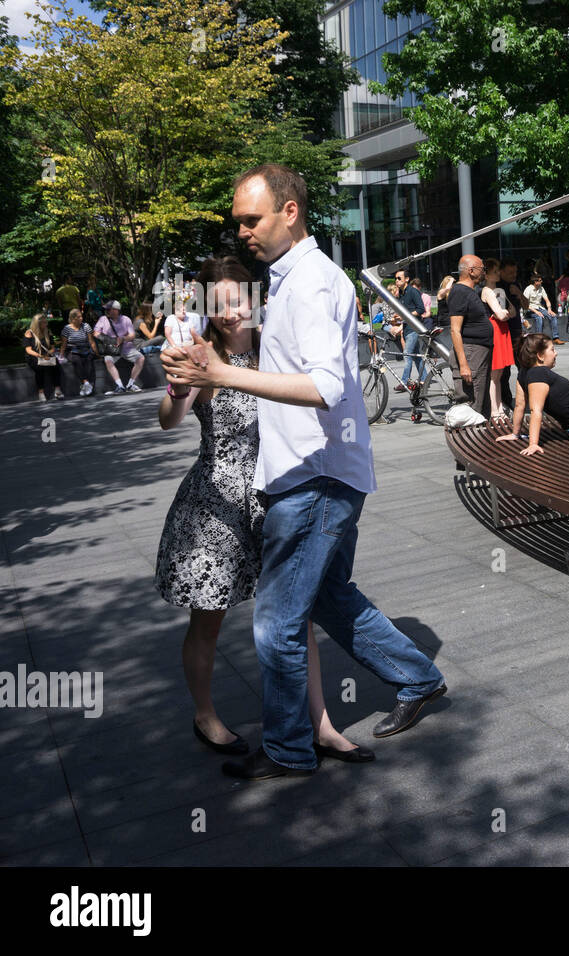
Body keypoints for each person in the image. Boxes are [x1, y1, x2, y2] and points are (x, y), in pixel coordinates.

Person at [163, 163, 447, 780]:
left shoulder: (312, 281)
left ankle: (290, 750)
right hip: (320, 472)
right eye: (237, 220)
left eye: (251, 219)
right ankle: (418, 676)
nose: (241, 230)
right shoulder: (293, 280)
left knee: (276, 622)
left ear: (289, 212)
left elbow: (325, 384)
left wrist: (222, 374)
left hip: (313, 476)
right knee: (327, 598)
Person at [155, 256, 367, 763]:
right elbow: (169, 419)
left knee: (295, 616)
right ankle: (205, 714)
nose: (231, 313)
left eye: (239, 300)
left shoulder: (279, 347)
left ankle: (320, 724)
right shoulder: (205, 358)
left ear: (255, 299)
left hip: (280, 496)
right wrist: (181, 386)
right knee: (207, 619)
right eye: (220, 303)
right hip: (216, 509)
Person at [497, 333, 569, 453]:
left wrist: (515, 433)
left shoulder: (524, 372)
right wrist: (533, 444)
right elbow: (535, 410)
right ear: (540, 356)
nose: (556, 353)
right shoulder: (539, 374)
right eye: (552, 350)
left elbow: (519, 405)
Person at [448, 254, 496, 419]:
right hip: (470, 354)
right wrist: (464, 365)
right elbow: (455, 330)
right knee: (471, 404)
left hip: (477, 353)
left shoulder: (469, 291)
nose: (484, 272)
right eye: (482, 269)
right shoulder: (460, 292)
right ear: (471, 271)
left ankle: (481, 438)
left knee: (480, 401)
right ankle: (472, 439)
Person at [481, 258, 514, 420]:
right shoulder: (487, 291)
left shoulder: (499, 290)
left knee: (498, 375)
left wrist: (504, 313)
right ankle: (495, 410)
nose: (498, 273)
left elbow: (510, 312)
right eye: (495, 272)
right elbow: (503, 314)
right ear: (486, 274)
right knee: (495, 374)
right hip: (495, 330)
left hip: (501, 329)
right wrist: (504, 313)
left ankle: (498, 408)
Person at [94, 300, 147, 393]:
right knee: (108, 360)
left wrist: (123, 338)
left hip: (126, 347)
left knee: (141, 358)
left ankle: (131, 384)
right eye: (107, 309)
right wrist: (110, 340)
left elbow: (132, 335)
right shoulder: (103, 319)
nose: (106, 311)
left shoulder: (126, 319)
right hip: (111, 348)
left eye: (108, 309)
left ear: (116, 310)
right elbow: (95, 333)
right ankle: (119, 385)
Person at [393, 268, 429, 390]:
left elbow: (421, 309)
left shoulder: (413, 291)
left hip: (414, 328)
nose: (396, 281)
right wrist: (399, 318)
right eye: (395, 278)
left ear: (407, 279)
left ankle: (404, 382)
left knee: (407, 354)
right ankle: (425, 379)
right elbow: (405, 312)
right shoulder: (401, 294)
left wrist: (405, 315)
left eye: (399, 278)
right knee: (416, 356)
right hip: (407, 327)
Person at [24, 313, 62, 401]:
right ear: (37, 324)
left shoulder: (47, 332)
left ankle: (57, 389)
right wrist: (40, 356)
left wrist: (48, 354)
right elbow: (28, 350)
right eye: (44, 323)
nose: (46, 324)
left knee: (56, 365)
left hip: (46, 355)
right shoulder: (29, 333)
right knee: (39, 368)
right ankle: (41, 392)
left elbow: (52, 348)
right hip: (33, 355)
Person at [60, 308, 97, 396]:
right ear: (73, 319)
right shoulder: (67, 329)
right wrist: (61, 355)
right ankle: (86, 382)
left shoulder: (86, 326)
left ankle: (86, 386)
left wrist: (96, 353)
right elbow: (64, 344)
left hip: (85, 349)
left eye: (81, 316)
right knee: (77, 360)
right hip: (72, 350)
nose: (81, 318)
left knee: (89, 359)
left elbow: (91, 341)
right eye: (79, 317)